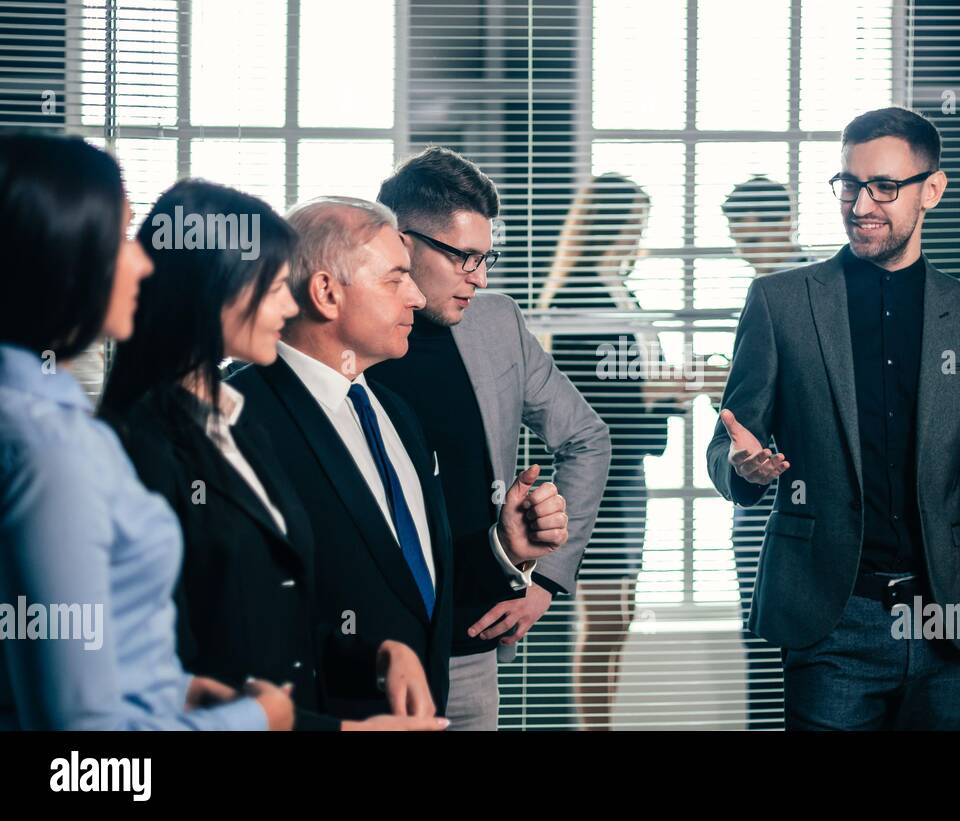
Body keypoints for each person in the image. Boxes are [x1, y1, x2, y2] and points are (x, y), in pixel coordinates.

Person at [705, 107, 960, 731]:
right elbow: (728, 444)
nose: (860, 204)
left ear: (932, 190)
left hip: (946, 624)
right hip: (833, 619)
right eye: (848, 184)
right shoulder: (781, 303)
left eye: (884, 186)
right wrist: (744, 468)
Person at [101, 180, 446, 731]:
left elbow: (268, 616)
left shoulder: (231, 426)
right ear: (218, 288)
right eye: (274, 285)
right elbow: (178, 672)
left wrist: (372, 654)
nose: (289, 304)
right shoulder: (139, 447)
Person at [227, 196, 569, 720]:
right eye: (395, 279)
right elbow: (237, 622)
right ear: (326, 293)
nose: (414, 297)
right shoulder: (235, 419)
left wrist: (505, 547)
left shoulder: (395, 415)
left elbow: (410, 584)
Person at [0, 132, 291, 730]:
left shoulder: (48, 424)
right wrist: (256, 720)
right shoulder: (53, 448)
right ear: (58, 251)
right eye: (121, 236)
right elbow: (84, 742)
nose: (143, 260)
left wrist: (174, 690)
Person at [369, 146, 610, 730]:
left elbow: (586, 437)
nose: (480, 276)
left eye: (486, 256)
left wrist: (547, 580)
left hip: (473, 636)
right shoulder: (345, 325)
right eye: (465, 258)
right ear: (403, 242)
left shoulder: (496, 321)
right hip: (366, 640)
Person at [539, 173, 696, 729]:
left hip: (626, 476)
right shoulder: (581, 290)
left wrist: (672, 387)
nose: (639, 231)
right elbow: (590, 394)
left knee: (619, 617)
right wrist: (663, 389)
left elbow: (635, 381)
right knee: (602, 618)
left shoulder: (619, 288)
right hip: (598, 477)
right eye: (633, 218)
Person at [719, 176, 815, 730]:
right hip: (756, 494)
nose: (739, 246)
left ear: (779, 223)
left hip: (806, 505)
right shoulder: (766, 290)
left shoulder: (815, 294)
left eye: (745, 232)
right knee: (759, 637)